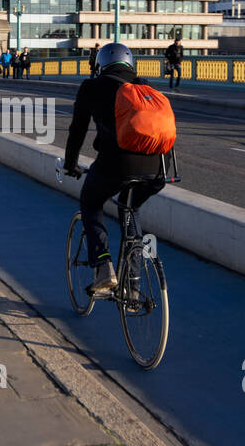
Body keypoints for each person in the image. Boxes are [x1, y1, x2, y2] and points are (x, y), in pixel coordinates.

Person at [62, 43, 168, 296]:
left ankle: (103, 265)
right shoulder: (145, 87)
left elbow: (77, 130)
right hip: (156, 170)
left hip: (116, 165)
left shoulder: (92, 87)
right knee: (131, 210)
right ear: (130, 64)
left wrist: (70, 164)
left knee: (90, 202)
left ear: (100, 65)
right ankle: (133, 285)